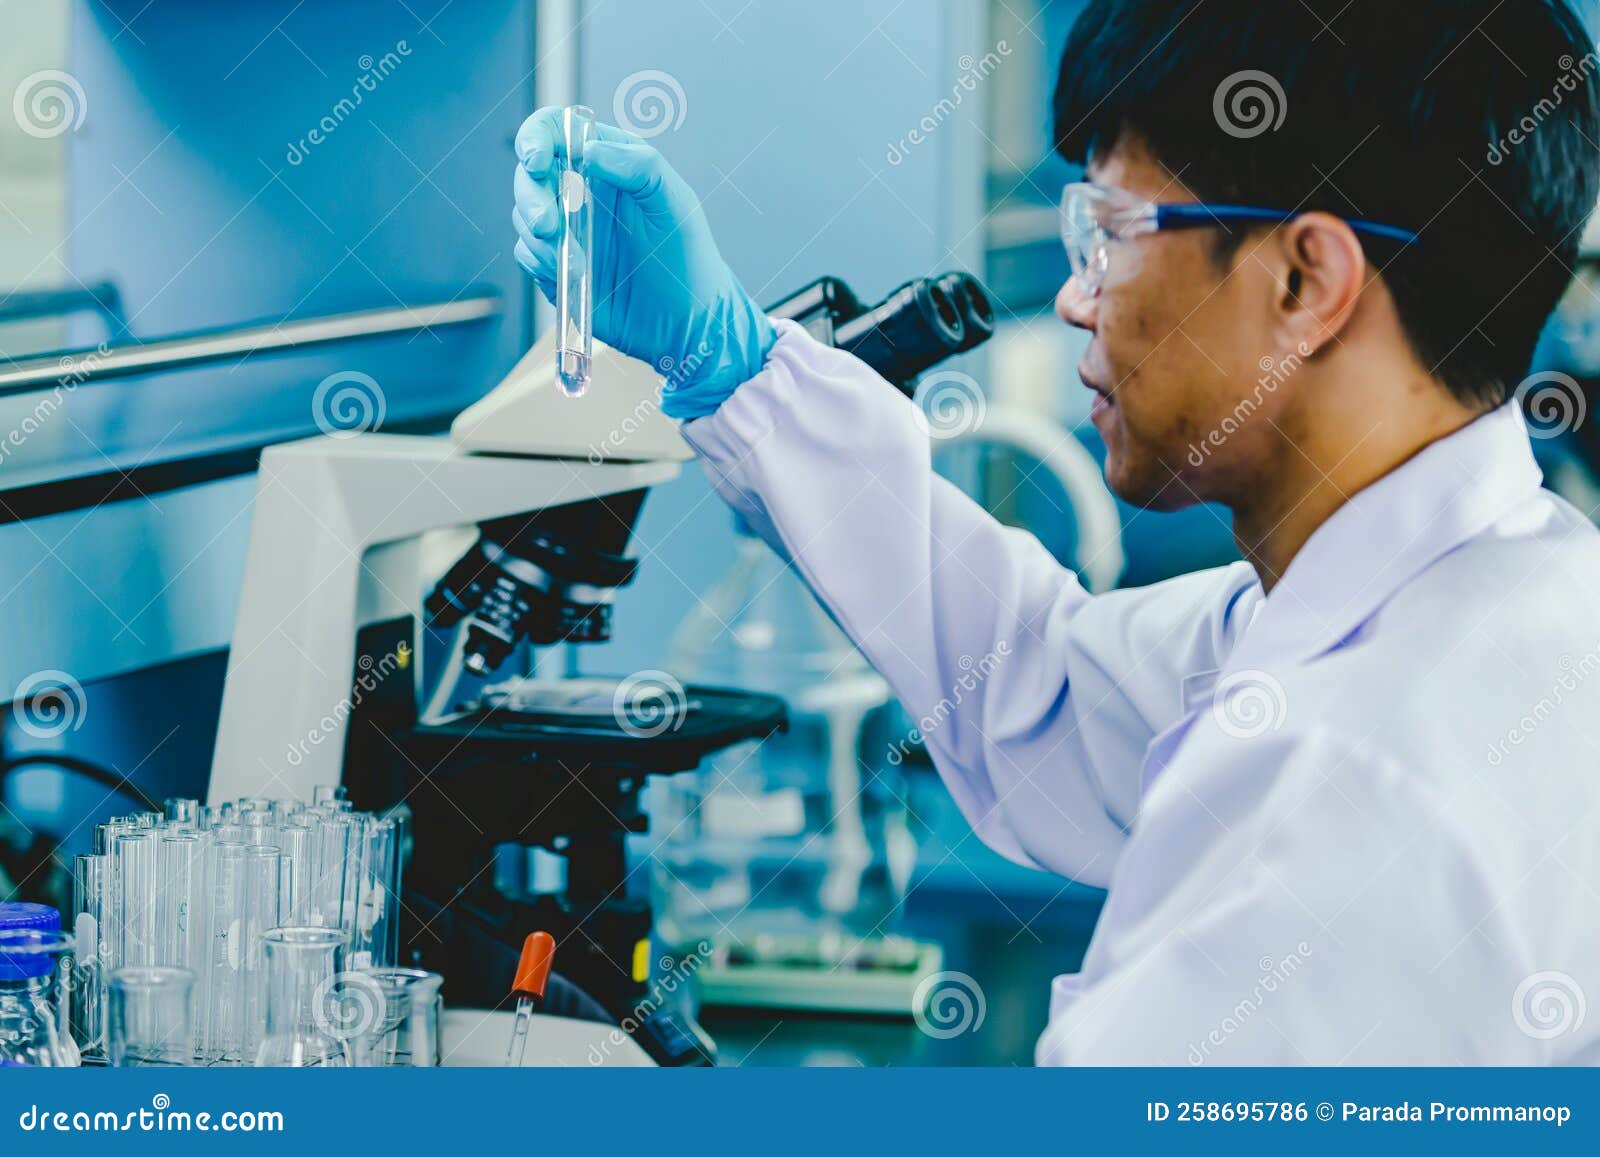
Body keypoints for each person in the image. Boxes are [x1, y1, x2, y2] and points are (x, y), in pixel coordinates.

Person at [513, 0, 1600, 1064]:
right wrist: (735, 368)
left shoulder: (1351, 788)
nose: (1080, 299)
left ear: (1306, 280)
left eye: (1111, 233)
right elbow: (1042, 685)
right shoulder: (1500, 591)